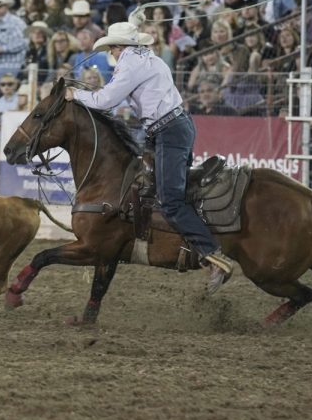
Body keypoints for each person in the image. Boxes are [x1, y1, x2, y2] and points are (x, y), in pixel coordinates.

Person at [66, 21, 239, 292]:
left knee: (170, 200)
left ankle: (214, 255)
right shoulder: (147, 58)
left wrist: (74, 94)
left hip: (167, 131)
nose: (111, 53)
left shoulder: (131, 64)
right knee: (153, 187)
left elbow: (105, 100)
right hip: (169, 128)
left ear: (120, 47)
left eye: (112, 47)